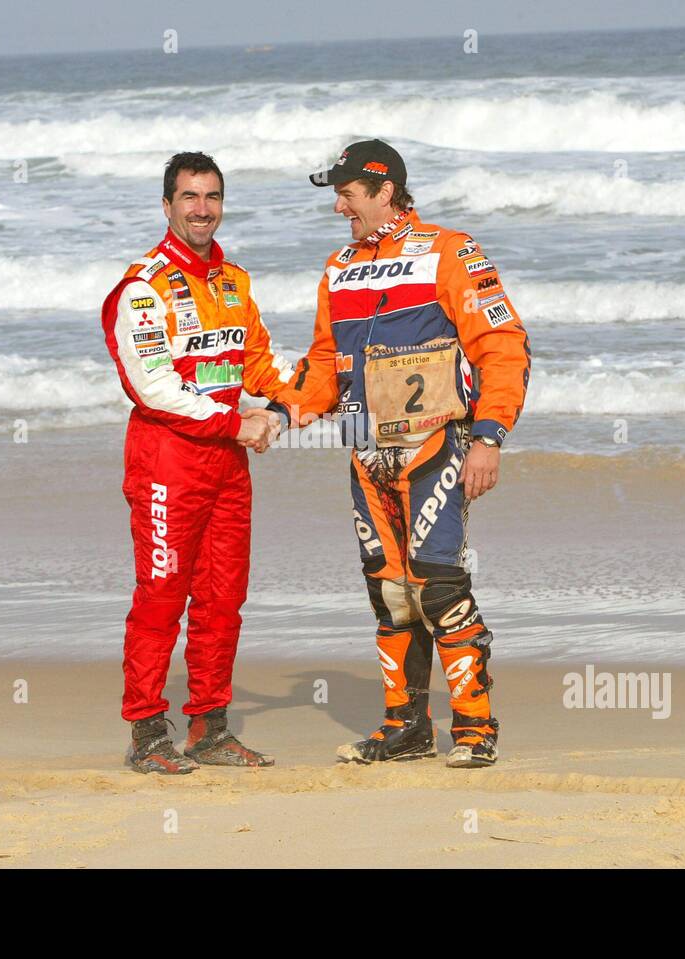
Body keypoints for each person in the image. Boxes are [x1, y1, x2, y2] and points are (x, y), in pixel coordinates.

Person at [268, 140, 530, 768]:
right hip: (363, 447)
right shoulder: (338, 268)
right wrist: (280, 412)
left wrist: (490, 437)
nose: (338, 206)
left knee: (437, 585)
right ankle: (406, 728)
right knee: (389, 592)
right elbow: (326, 367)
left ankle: (474, 728)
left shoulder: (449, 250)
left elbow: (502, 345)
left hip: (438, 444)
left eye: (347, 193)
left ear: (385, 190)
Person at [101, 151, 292, 774]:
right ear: (167, 205)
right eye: (190, 197)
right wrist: (241, 422)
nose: (202, 209)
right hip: (166, 462)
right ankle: (147, 734)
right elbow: (151, 387)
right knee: (161, 597)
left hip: (228, 466)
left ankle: (209, 729)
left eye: (212, 197)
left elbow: (258, 366)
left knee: (222, 598)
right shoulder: (142, 289)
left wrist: (307, 392)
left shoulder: (234, 282)